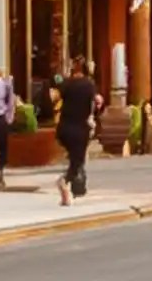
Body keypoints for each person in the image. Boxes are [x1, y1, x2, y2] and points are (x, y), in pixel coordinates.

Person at [55, 57, 98, 206]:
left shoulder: (67, 84)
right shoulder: (89, 85)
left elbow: (57, 95)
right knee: (77, 161)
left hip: (64, 128)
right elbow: (93, 106)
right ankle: (66, 181)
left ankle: (69, 194)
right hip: (80, 129)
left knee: (74, 159)